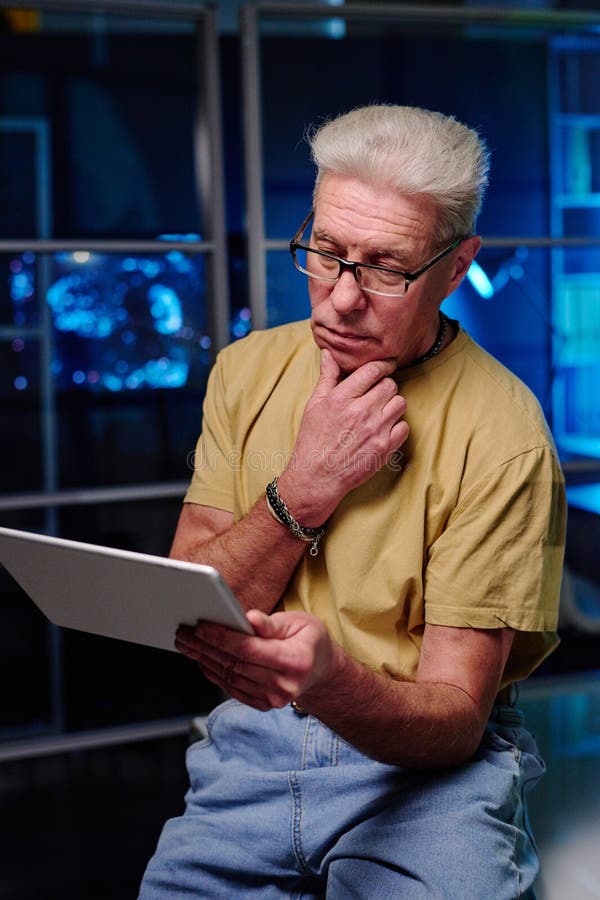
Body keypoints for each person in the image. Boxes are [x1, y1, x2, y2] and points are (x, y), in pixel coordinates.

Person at [139, 104, 566, 899]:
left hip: (431, 781)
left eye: (385, 268)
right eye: (326, 253)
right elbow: (188, 601)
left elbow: (454, 721)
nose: (339, 298)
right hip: (250, 751)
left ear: (456, 264)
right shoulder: (244, 371)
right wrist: (306, 486)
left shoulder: (506, 434)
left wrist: (326, 679)